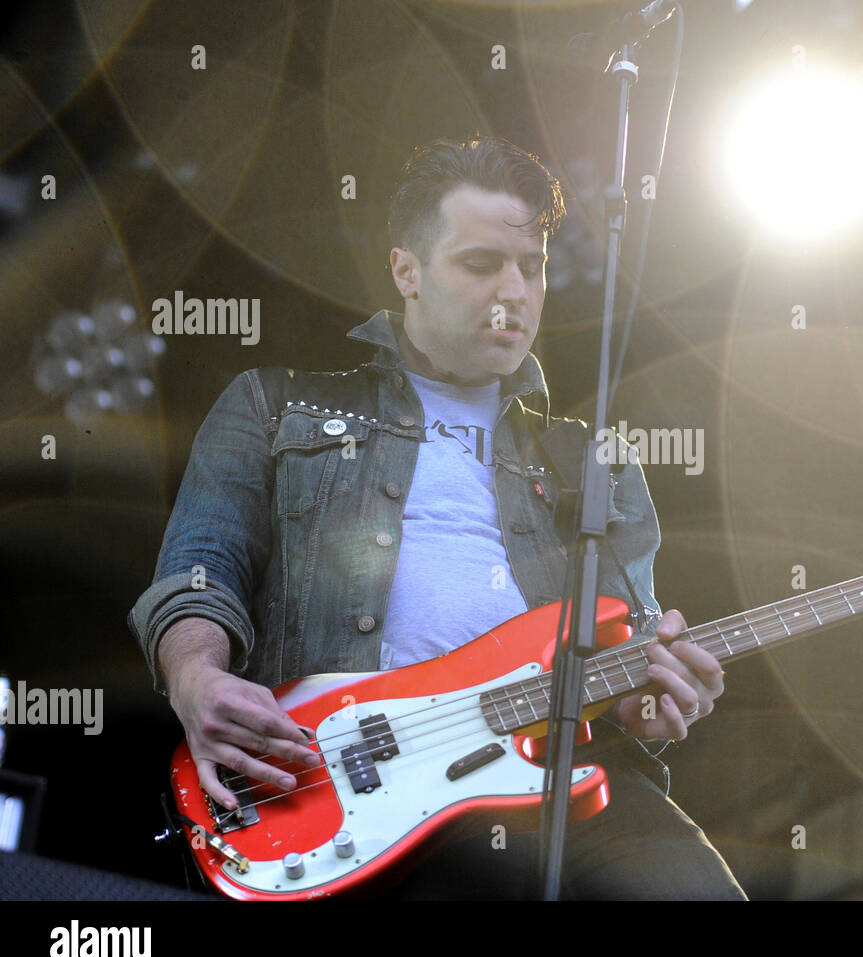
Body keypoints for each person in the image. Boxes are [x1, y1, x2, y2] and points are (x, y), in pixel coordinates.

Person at [129, 136, 745, 899]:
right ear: (406, 271)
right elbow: (200, 567)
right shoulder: (274, 402)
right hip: (346, 777)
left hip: (558, 772)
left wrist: (653, 694)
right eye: (482, 264)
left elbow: (633, 639)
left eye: (533, 266)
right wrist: (194, 677)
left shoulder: (596, 459)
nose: (515, 291)